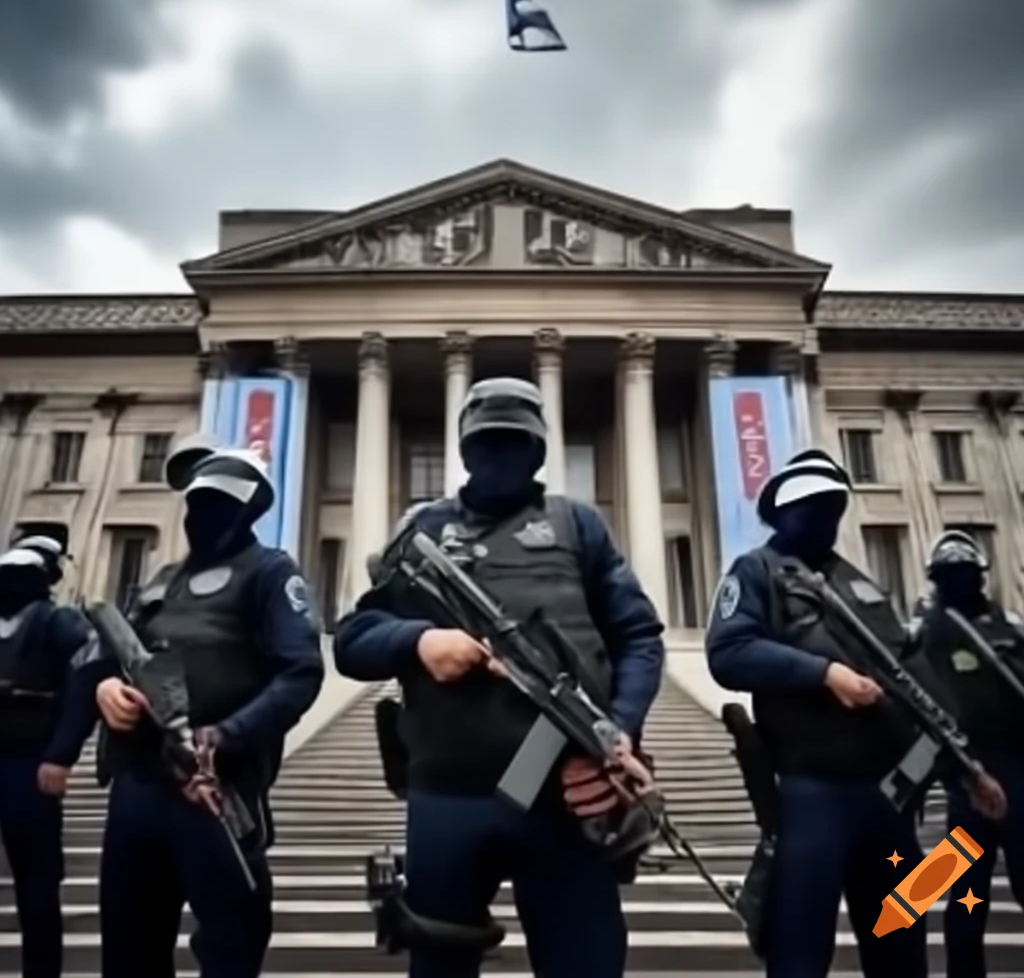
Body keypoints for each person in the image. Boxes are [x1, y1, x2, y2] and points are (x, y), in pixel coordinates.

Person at [335, 377, 665, 978]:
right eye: (487, 443)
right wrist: (420, 640)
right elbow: (353, 640)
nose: (500, 456)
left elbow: (639, 637)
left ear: (539, 449)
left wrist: (620, 732)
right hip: (448, 799)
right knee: (439, 962)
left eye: (515, 442)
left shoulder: (577, 526)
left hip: (566, 797)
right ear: (464, 449)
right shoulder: (424, 533)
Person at [705, 449, 1006, 978]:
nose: (823, 518)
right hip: (809, 794)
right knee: (799, 951)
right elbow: (729, 651)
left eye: (831, 506)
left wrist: (968, 769)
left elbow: (921, 684)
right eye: (811, 506)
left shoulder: (862, 584)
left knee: (904, 948)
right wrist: (823, 673)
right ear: (780, 511)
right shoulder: (757, 571)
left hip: (889, 802)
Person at [90, 443, 324, 978]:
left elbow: (302, 672)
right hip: (138, 788)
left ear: (246, 508)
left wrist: (229, 734)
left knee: (230, 948)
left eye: (217, 502)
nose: (201, 516)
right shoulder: (159, 581)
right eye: (195, 503)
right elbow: (106, 654)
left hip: (217, 787)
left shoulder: (270, 572)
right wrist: (105, 688)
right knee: (128, 950)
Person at [904, 530, 1024, 978]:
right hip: (962, 780)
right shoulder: (923, 635)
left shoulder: (1009, 628)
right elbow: (914, 710)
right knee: (964, 903)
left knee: (967, 899)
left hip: (1012, 773)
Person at [0, 541, 97, 978]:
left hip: (30, 767)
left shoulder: (62, 623)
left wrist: (61, 755)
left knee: (37, 890)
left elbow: (83, 688)